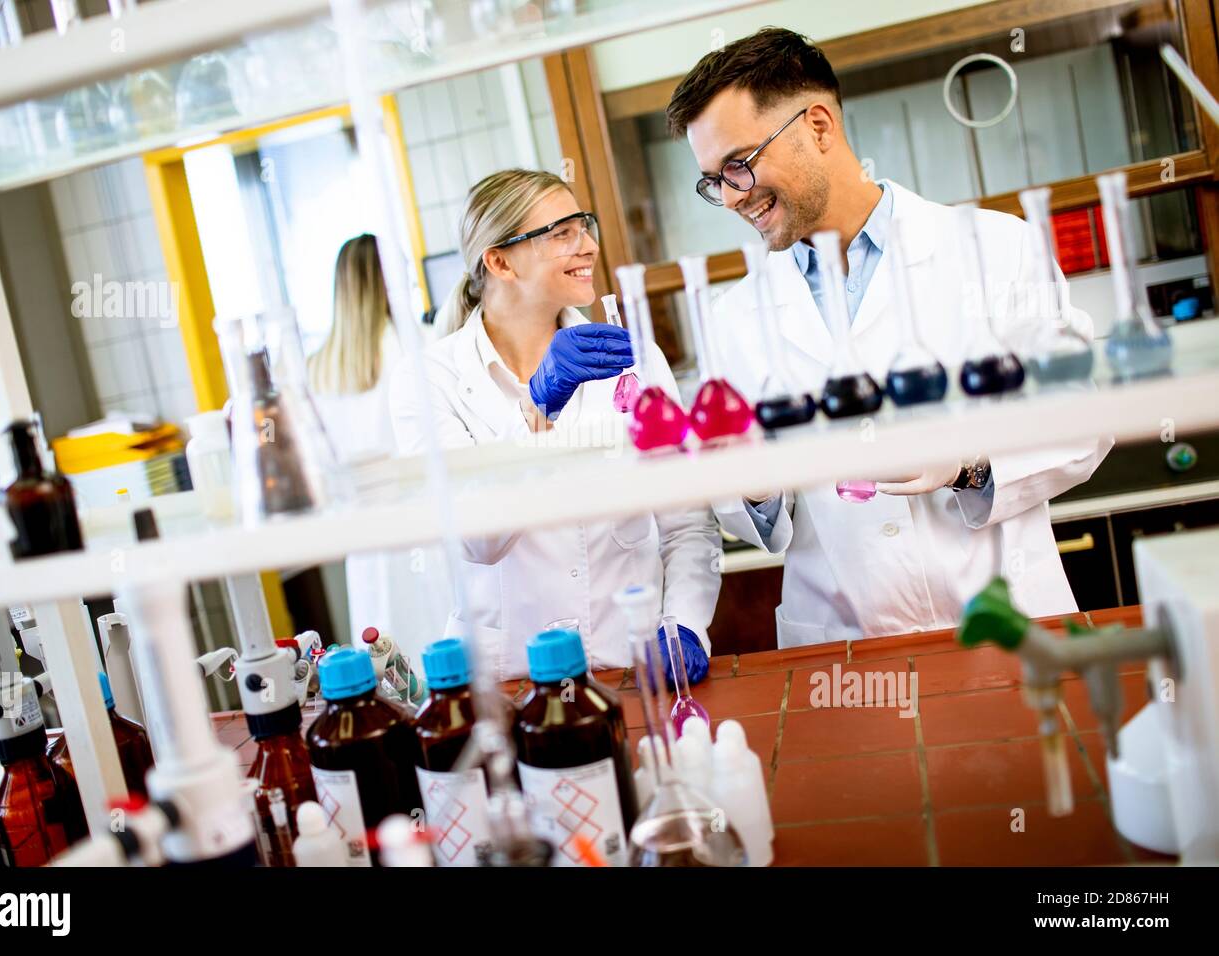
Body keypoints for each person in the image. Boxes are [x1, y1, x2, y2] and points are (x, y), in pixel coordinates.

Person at [666, 28, 1112, 646]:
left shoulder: (995, 248)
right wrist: (752, 483)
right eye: (715, 180)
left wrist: (967, 463)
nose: (733, 197)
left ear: (818, 126)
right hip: (841, 646)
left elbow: (1086, 414)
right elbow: (748, 515)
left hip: (1004, 622)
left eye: (739, 164)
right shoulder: (735, 316)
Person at [390, 169, 722, 680]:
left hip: (632, 667)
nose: (587, 245)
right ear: (500, 261)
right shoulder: (429, 380)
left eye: (583, 226)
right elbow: (476, 540)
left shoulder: (634, 359)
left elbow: (685, 520)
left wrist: (684, 623)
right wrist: (536, 410)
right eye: (560, 233)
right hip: (511, 678)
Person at [308, 234, 451, 659]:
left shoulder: (317, 369)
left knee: (388, 666)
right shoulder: (424, 343)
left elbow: (319, 466)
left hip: (367, 541)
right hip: (430, 527)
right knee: (447, 660)